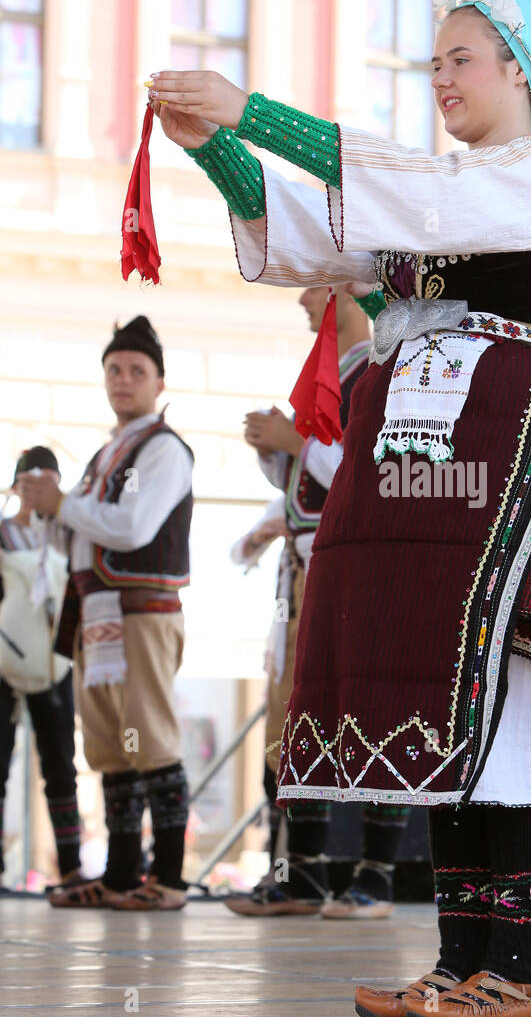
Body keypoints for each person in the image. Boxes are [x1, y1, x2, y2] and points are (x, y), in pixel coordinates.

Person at [150, 0, 531, 1017]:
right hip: (422, 453)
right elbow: (311, 236)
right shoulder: (434, 192)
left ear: (522, 73)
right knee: (439, 691)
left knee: (506, 694)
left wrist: (252, 113)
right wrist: (215, 149)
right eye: (433, 61)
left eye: (461, 59)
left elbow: (422, 193)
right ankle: (459, 959)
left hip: (499, 445)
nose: (441, 77)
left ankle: (519, 967)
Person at [226, 285, 411, 918]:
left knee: (373, 715)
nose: (304, 299)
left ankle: (377, 876)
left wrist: (295, 442)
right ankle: (301, 873)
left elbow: (374, 476)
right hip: (310, 568)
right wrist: (277, 453)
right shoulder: (333, 378)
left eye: (316, 286)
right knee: (296, 718)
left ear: (350, 294)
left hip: (360, 570)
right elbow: (309, 486)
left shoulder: (386, 373)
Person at [20, 317, 194, 911]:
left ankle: (169, 880)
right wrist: (45, 511)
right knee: (111, 745)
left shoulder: (162, 448)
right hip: (99, 610)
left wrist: (63, 504)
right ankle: (121, 877)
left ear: (159, 383)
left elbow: (132, 527)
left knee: (151, 737)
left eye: (136, 371)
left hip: (141, 612)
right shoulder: (106, 453)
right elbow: (82, 536)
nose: (123, 379)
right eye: (114, 369)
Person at [0, 447, 81, 890]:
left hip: (55, 663)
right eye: (28, 482)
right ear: (16, 487)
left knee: (60, 765)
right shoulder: (3, 535)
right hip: (5, 661)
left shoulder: (69, 534)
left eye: (46, 482)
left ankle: (70, 867)